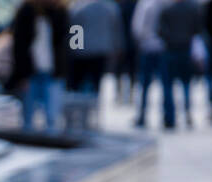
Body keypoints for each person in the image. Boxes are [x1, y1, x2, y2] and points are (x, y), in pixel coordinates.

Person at [9, 0, 70, 132]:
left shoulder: (60, 12)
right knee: (28, 116)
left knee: (52, 116)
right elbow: (19, 46)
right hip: (31, 71)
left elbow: (67, 41)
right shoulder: (26, 11)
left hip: (54, 70)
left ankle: (51, 142)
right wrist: (22, 74)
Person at [157, 0, 203, 128]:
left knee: (168, 85)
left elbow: (161, 31)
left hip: (170, 50)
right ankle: (187, 111)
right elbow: (197, 30)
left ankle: (170, 117)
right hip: (186, 49)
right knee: (186, 83)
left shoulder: (167, 10)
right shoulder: (192, 9)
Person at [67, 0, 126, 93]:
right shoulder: (110, 7)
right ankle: (94, 102)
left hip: (81, 50)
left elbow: (73, 27)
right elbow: (116, 30)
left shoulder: (78, 7)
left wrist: (72, 48)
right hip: (101, 50)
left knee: (78, 85)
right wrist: (118, 47)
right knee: (96, 82)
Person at [131, 0, 172, 127]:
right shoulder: (168, 4)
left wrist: (142, 41)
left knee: (144, 84)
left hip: (147, 47)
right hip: (164, 47)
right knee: (166, 84)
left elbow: (137, 27)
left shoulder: (145, 4)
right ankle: (169, 117)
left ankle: (142, 115)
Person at [116, 0, 139, 100]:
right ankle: (131, 93)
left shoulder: (120, 6)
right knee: (132, 70)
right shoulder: (137, 6)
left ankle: (120, 93)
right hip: (133, 42)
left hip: (121, 41)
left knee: (120, 69)